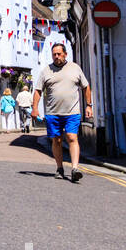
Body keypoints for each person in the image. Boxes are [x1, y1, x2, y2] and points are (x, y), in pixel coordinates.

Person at [31, 43, 93, 182]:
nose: (56, 56)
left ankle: (75, 168)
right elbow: (38, 90)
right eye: (54, 54)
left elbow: (86, 86)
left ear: (65, 54)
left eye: (59, 54)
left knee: (72, 137)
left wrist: (89, 105)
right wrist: (35, 108)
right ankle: (59, 168)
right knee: (57, 140)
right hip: (53, 113)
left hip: (72, 112)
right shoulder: (46, 71)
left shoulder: (75, 68)